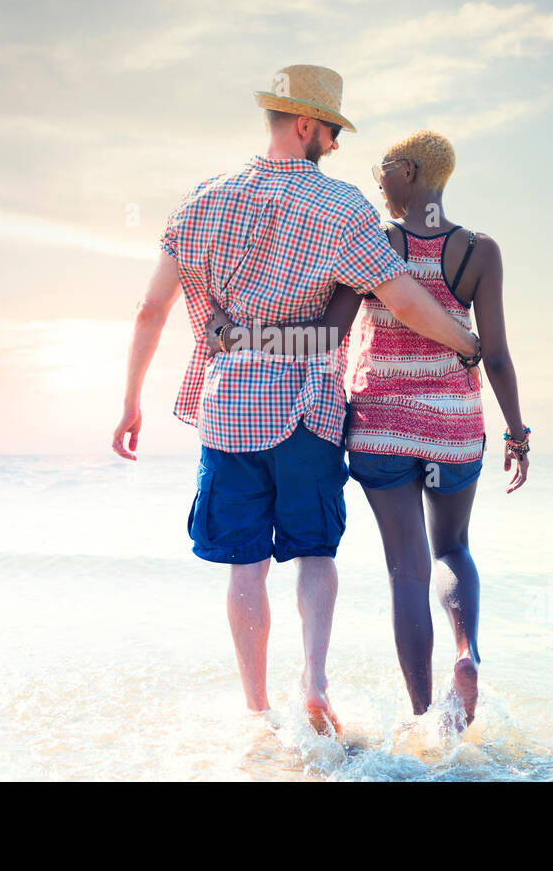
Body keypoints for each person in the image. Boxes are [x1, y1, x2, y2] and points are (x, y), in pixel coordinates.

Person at [111, 67, 483, 736]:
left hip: (228, 415)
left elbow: (150, 307)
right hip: (308, 412)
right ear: (307, 125)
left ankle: (257, 710)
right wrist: (464, 337)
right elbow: (399, 297)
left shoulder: (202, 200)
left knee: (245, 565)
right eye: (334, 132)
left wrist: (131, 401)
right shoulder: (343, 208)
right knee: (315, 552)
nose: (337, 147)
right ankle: (313, 682)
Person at [205, 129, 529, 729]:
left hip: (379, 430)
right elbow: (498, 354)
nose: (376, 181)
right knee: (452, 548)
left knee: (406, 568)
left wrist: (239, 338)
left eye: (382, 170)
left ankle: (424, 715)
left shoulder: (372, 244)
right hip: (454, 429)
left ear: (407, 171)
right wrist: (517, 431)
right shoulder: (480, 251)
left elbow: (324, 335)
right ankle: (467, 654)